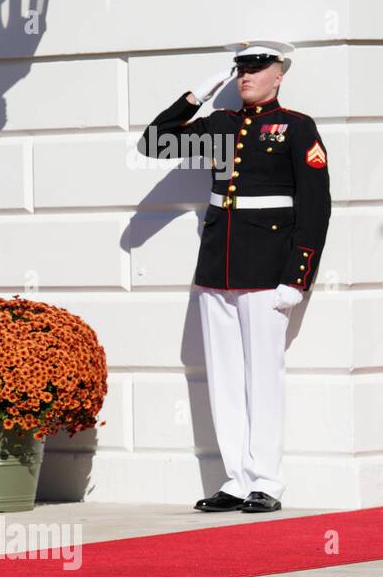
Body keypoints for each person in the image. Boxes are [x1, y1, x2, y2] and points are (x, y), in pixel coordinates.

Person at [138, 40, 331, 514]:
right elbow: (153, 141)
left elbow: (315, 207)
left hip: (269, 270)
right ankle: (237, 479)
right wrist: (194, 96)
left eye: (257, 68)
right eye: (240, 69)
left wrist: (298, 276)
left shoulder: (296, 128)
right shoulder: (220, 126)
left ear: (278, 74)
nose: (246, 76)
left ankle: (267, 479)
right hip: (217, 268)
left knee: (263, 377)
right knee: (225, 378)